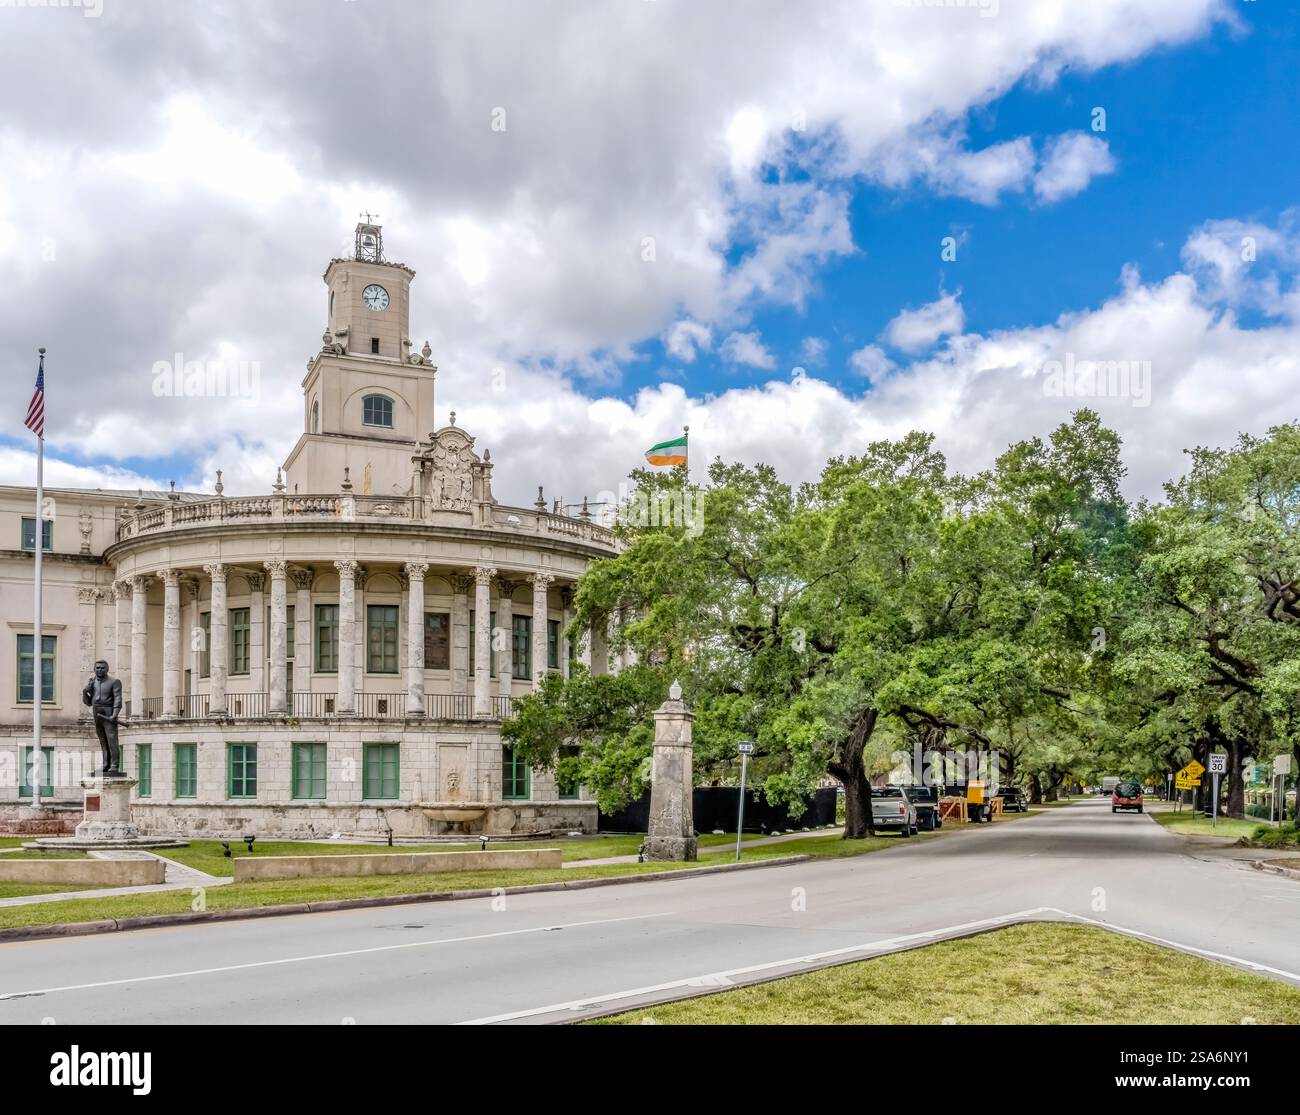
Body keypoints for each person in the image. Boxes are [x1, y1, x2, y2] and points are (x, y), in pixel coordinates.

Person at [82, 660, 123, 776]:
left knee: (112, 739)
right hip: (96, 710)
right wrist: (85, 692)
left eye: (102, 668)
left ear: (107, 669)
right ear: (94, 669)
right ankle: (106, 764)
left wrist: (115, 714)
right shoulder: (92, 682)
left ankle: (114, 764)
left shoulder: (114, 682)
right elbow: (88, 703)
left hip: (108, 710)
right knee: (103, 740)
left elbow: (118, 699)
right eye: (98, 668)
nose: (100, 670)